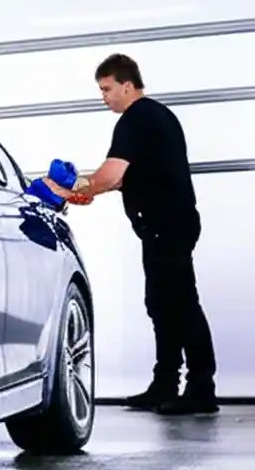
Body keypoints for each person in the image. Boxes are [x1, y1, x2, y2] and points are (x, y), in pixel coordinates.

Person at [46, 53, 218, 415]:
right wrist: (84, 192)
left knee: (180, 304)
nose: (103, 97)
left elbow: (110, 174)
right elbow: (123, 179)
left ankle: (202, 388)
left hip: (166, 226)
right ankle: (165, 384)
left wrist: (73, 187)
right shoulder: (156, 116)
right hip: (168, 225)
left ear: (127, 85)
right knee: (162, 304)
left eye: (107, 89)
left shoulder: (135, 119)